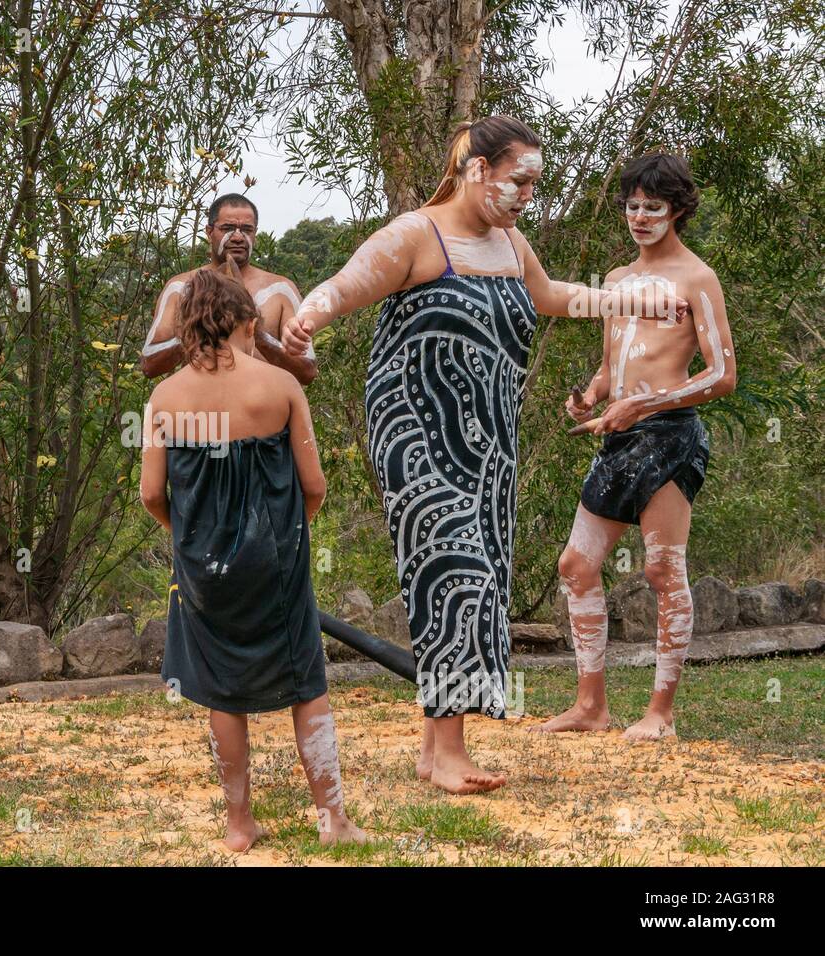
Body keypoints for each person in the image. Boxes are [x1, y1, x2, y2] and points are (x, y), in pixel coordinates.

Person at [281, 116, 686, 794]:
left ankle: (432, 745)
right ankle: (450, 755)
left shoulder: (508, 242)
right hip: (415, 432)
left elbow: (551, 297)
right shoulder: (417, 234)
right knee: (452, 569)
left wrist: (629, 296)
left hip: (490, 440)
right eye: (519, 179)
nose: (529, 193)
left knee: (481, 578)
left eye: (535, 182)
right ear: (476, 171)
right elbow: (346, 286)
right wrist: (309, 317)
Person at [140, 263, 365, 852]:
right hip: (278, 556)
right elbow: (312, 485)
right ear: (242, 320)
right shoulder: (281, 386)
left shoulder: (164, 397)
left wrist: (190, 541)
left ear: (189, 326)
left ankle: (238, 824)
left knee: (219, 689)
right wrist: (287, 537)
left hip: (202, 566)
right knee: (305, 682)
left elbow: (151, 495)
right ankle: (332, 818)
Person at [538, 153, 736, 740]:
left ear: (676, 211)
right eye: (632, 206)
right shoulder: (618, 282)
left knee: (661, 569)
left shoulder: (696, 278)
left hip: (671, 438)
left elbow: (722, 375)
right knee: (576, 566)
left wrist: (644, 405)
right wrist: (590, 396)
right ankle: (591, 707)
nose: (641, 216)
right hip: (619, 435)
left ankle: (660, 714)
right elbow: (608, 369)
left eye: (654, 206)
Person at [140, 193, 317, 385]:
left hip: (263, 409)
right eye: (228, 228)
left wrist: (258, 335)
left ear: (255, 234)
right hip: (203, 411)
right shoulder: (180, 288)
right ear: (209, 232)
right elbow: (150, 364)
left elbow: (307, 371)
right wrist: (199, 331)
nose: (238, 237)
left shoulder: (280, 291)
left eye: (247, 230)